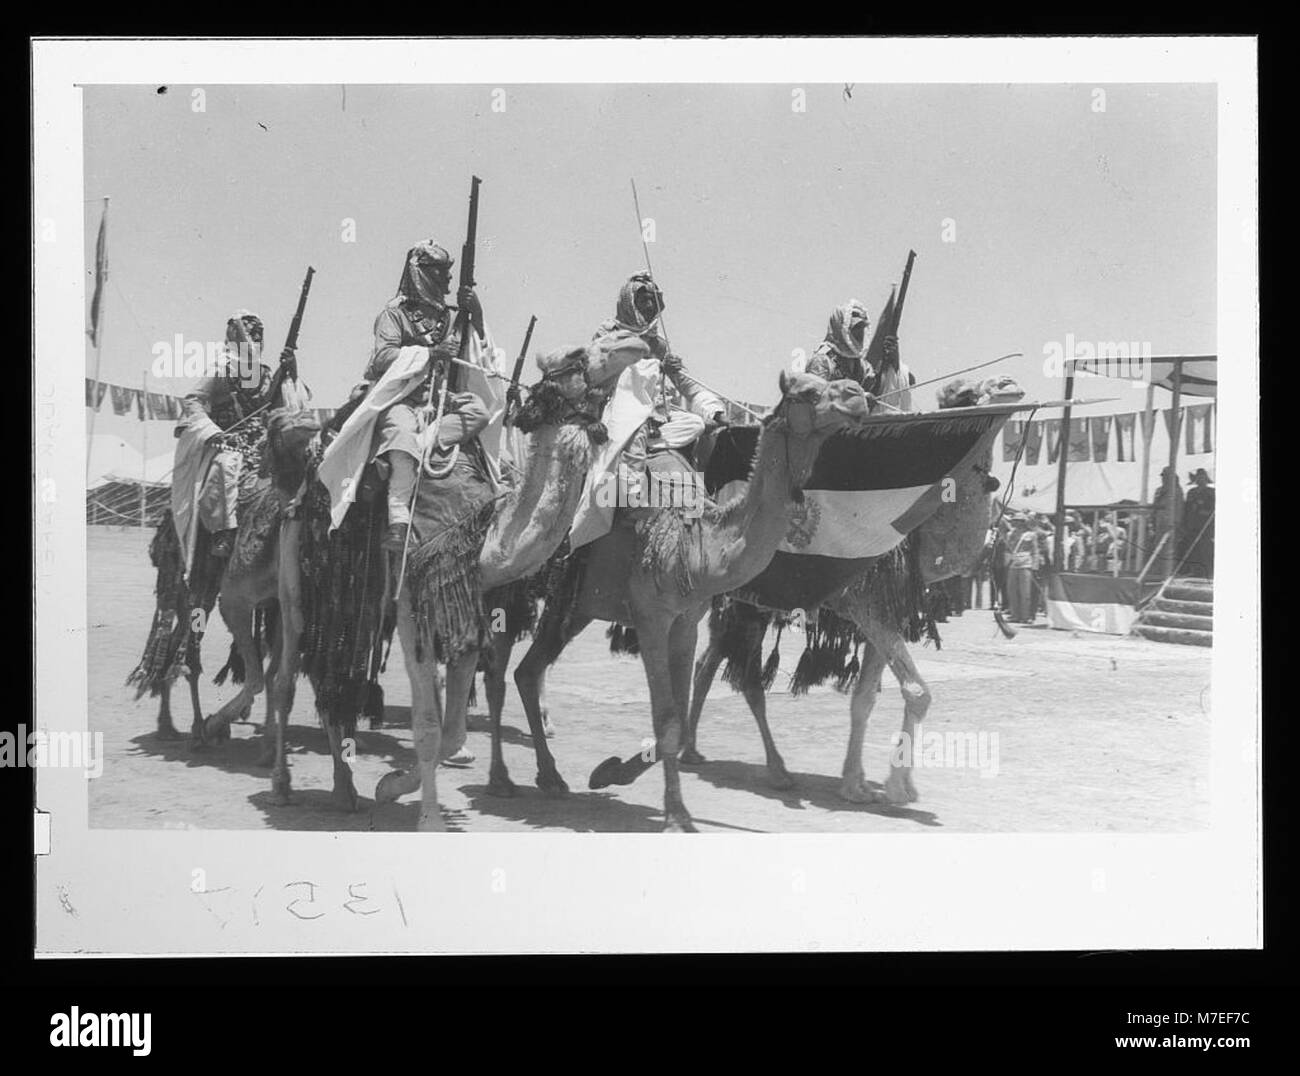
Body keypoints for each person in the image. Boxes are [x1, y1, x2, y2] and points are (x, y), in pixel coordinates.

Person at [363, 239, 486, 551]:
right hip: (402, 399)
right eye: (440, 271)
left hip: (442, 401)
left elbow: (473, 352)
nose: (447, 279)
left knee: (480, 412)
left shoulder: (451, 317)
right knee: (402, 435)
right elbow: (383, 358)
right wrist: (430, 353)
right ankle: (398, 520)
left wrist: (476, 315)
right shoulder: (395, 315)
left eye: (449, 272)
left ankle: (428, 440)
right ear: (421, 273)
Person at [590, 272, 728, 473]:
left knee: (696, 424)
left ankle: (647, 439)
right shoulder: (608, 335)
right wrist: (659, 368)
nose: (649, 306)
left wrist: (715, 412)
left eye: (652, 301)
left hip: (654, 417)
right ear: (630, 302)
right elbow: (607, 372)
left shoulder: (657, 342)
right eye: (643, 300)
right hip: (615, 411)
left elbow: (687, 384)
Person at [180, 310, 288, 558]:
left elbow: (280, 408)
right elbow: (193, 401)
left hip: (262, 443)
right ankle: (224, 532)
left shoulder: (267, 375)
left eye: (259, 337)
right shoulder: (220, 370)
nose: (255, 342)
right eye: (251, 336)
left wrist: (289, 372)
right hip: (227, 443)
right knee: (225, 467)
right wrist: (213, 432)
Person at [805, 299, 912, 411]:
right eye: (855, 328)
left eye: (862, 327)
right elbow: (815, 400)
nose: (860, 332)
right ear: (841, 328)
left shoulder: (861, 365)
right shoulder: (822, 362)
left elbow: (876, 394)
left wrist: (892, 360)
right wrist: (858, 398)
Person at [1181, 468, 1215, 578]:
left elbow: (1213, 510)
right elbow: (1186, 509)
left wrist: (1202, 510)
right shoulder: (1191, 492)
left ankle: (1208, 572)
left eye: (1202, 478)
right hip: (1192, 525)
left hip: (1206, 526)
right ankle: (1195, 571)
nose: (1200, 480)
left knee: (1205, 549)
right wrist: (1185, 524)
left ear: (1206, 479)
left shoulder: (1211, 492)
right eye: (1198, 478)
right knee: (1192, 549)